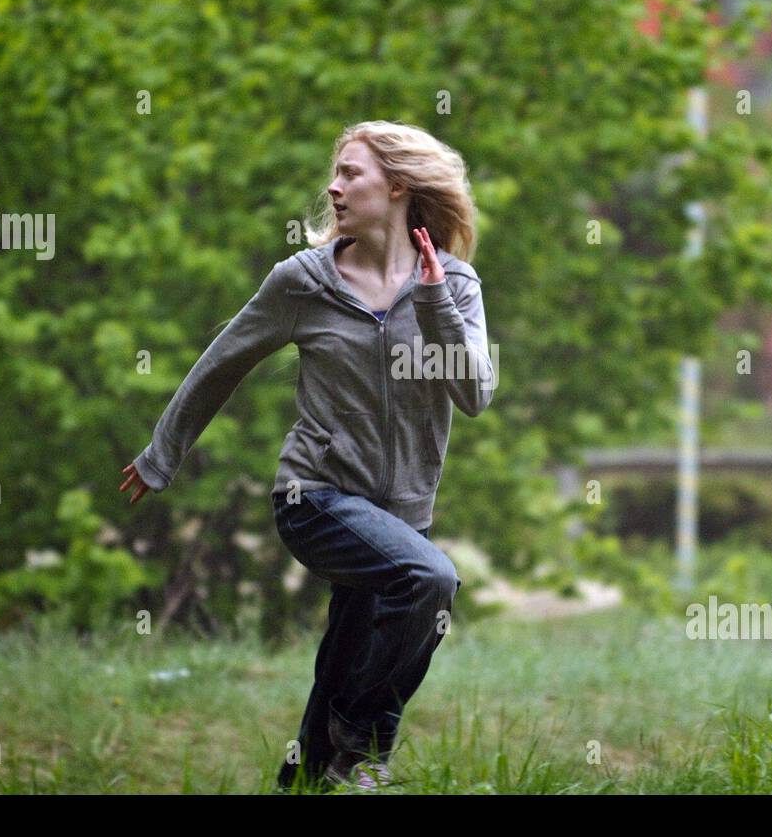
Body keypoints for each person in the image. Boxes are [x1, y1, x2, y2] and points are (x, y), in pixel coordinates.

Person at [119, 120, 496, 791]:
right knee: (430, 581)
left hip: (402, 513)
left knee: (341, 667)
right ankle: (368, 745)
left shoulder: (456, 285)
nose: (334, 185)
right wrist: (160, 455)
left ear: (399, 184)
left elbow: (474, 394)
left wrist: (435, 302)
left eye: (351, 172)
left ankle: (309, 777)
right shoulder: (303, 282)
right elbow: (220, 365)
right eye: (336, 172)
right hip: (314, 499)